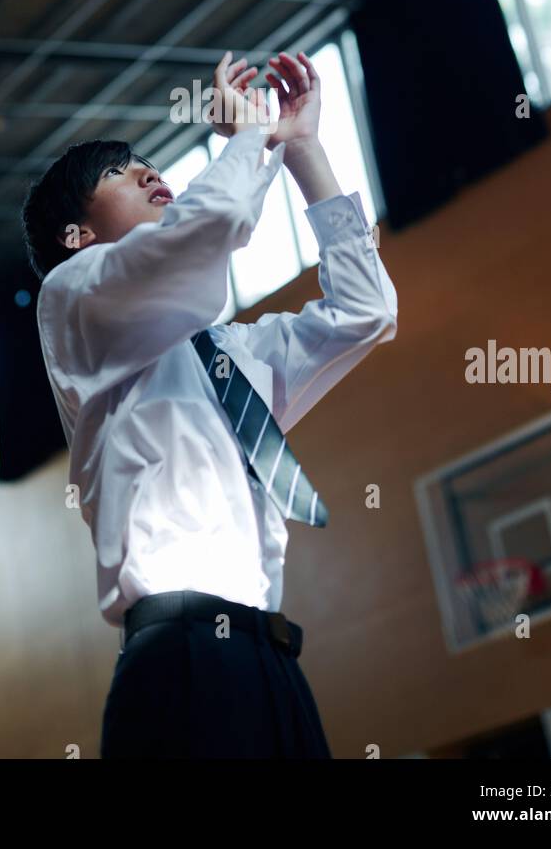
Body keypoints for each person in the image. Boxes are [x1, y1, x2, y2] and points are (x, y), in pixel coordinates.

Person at [21, 49, 398, 758]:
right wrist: (247, 138)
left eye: (146, 163)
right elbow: (213, 219)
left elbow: (366, 311)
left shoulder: (232, 357)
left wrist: (303, 150)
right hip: (181, 658)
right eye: (117, 174)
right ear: (77, 239)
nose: (148, 172)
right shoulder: (72, 301)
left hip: (272, 657)